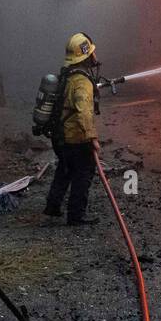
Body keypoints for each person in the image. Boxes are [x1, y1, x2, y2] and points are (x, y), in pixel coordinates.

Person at [44, 32, 101, 225]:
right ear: (85, 55)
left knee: (65, 169)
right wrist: (91, 137)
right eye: (92, 52)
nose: (95, 56)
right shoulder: (82, 82)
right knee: (83, 174)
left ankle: (52, 206)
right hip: (76, 138)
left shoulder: (68, 76)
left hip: (61, 137)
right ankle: (76, 216)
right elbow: (83, 112)